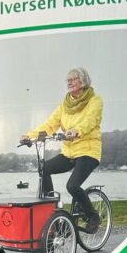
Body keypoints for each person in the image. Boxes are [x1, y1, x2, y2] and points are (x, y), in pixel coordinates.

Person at [20, 67, 103, 231]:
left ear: (83, 81)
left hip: (88, 151)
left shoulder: (95, 100)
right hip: (69, 152)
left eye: (73, 79)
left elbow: (90, 120)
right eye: (68, 80)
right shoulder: (65, 104)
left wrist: (76, 131)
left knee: (72, 186)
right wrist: (29, 136)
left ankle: (93, 216)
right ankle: (52, 210)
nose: (69, 82)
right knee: (44, 168)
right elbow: (50, 124)